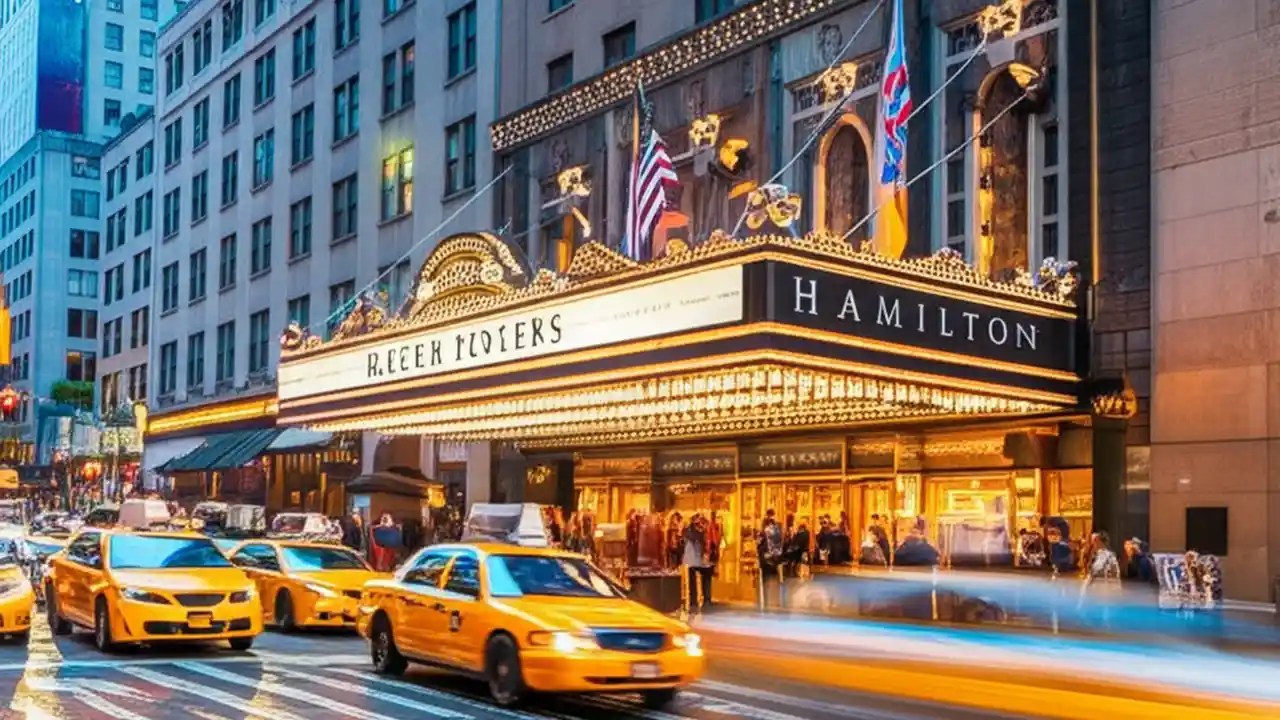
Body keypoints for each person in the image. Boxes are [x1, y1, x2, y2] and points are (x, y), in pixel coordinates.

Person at [682, 513, 713, 612]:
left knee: (701, 580)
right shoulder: (694, 531)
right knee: (701, 580)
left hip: (697, 559)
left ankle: (698, 600)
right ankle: (699, 601)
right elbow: (698, 539)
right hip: (696, 559)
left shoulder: (690, 531)